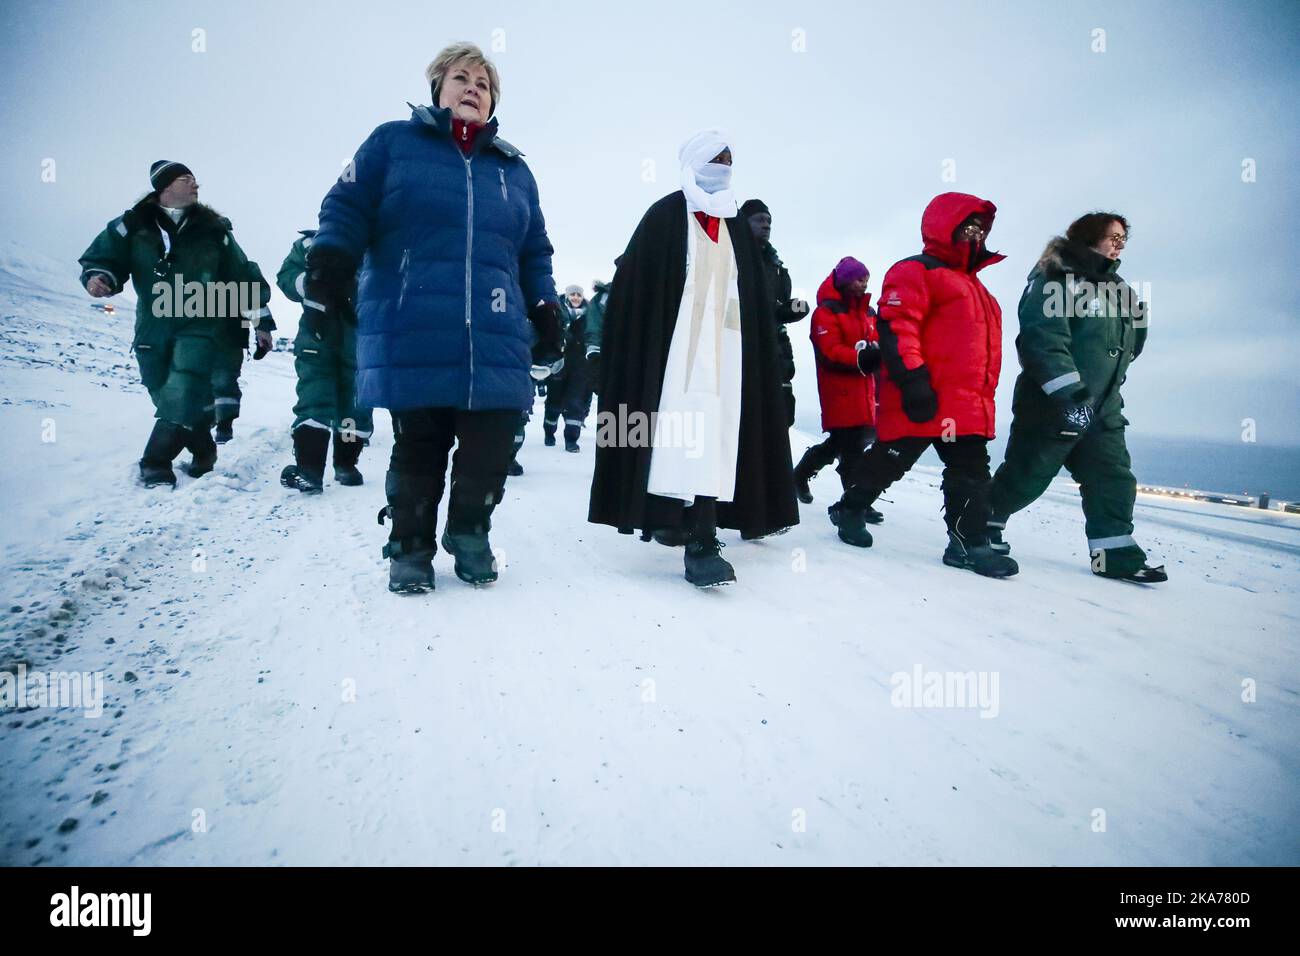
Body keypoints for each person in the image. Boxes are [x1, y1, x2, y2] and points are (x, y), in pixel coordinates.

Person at [305, 42, 562, 593]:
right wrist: (331, 259)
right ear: (436, 88)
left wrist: (544, 305)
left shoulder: (513, 170)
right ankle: (410, 547)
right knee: (421, 442)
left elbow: (534, 249)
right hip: (414, 320)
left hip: (495, 332)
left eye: (484, 84)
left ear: (493, 102)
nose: (473, 88)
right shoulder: (393, 143)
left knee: (492, 443)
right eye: (461, 78)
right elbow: (346, 205)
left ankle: (469, 532)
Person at [587, 130, 798, 588]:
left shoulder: (736, 225)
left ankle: (704, 534)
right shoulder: (665, 216)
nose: (722, 166)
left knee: (719, 436)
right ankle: (675, 519)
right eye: (714, 158)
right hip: (673, 353)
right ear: (693, 162)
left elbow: (754, 298)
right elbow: (633, 290)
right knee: (669, 436)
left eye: (729, 159)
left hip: (729, 354)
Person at [831, 192, 1018, 576]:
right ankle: (850, 508)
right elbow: (898, 326)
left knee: (971, 470)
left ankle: (968, 543)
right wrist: (913, 381)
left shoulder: (979, 289)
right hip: (922, 394)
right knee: (891, 460)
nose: (975, 235)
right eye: (967, 226)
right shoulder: (915, 271)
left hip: (965, 403)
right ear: (944, 226)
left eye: (980, 229)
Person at [987, 213, 1166, 583]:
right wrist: (1070, 395)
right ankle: (978, 525)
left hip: (1103, 408)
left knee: (1112, 477)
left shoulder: (1120, 289)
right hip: (1056, 405)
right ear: (1088, 238)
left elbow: (1133, 341)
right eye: (1111, 236)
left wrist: (1106, 380)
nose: (1119, 244)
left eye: (1123, 238)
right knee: (1028, 473)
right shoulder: (1056, 279)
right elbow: (1043, 340)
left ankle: (1114, 556)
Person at [79, 160, 274, 487]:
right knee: (163, 393)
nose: (196, 185)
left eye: (196, 180)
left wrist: (260, 322)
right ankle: (204, 449)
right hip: (153, 326)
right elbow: (103, 258)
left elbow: (242, 276)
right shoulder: (131, 225)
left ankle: (155, 462)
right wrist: (99, 278)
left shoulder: (215, 231)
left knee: (183, 390)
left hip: (201, 322)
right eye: (187, 179)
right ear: (165, 186)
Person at [276, 228, 375, 493]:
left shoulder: (375, 244)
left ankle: (346, 464)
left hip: (360, 338)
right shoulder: (309, 245)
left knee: (355, 403)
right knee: (314, 398)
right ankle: (310, 471)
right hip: (316, 336)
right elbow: (286, 277)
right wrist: (312, 282)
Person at [794, 257, 883, 527]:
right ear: (844, 280)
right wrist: (861, 357)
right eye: (859, 279)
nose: (864, 284)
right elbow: (829, 351)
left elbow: (879, 341)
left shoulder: (868, 313)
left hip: (866, 390)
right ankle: (855, 503)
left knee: (843, 443)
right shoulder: (826, 312)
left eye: (866, 279)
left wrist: (874, 353)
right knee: (851, 446)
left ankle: (801, 474)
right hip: (839, 390)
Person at [739, 199, 808, 427]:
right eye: (759, 220)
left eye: (769, 221)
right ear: (743, 223)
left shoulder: (778, 268)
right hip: (743, 348)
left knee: (780, 418)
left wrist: (795, 308)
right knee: (745, 419)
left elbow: (780, 307)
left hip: (777, 353)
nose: (766, 225)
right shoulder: (731, 258)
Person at [542, 284, 591, 452]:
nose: (576, 297)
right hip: (559, 363)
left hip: (580, 365)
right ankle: (549, 431)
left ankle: (571, 440)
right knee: (553, 403)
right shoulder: (557, 311)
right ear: (567, 296)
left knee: (576, 403)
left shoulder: (590, 314)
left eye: (578, 294)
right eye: (573, 294)